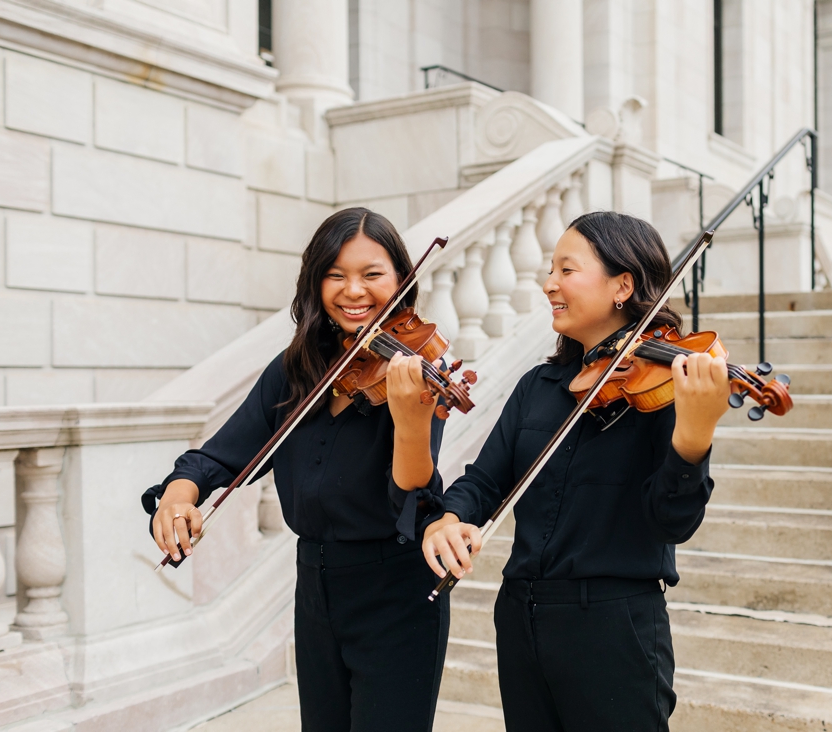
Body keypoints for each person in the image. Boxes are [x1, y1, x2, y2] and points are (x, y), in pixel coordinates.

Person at [421, 211, 732, 731]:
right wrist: (449, 517)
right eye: (550, 270)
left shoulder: (664, 389)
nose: (549, 285)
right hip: (521, 617)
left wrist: (695, 435)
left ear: (622, 285)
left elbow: (671, 522)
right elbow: (486, 481)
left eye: (567, 270)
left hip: (614, 627)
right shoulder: (538, 387)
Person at [142, 208, 449, 731]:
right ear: (315, 282)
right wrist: (178, 494)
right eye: (336, 275)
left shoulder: (418, 370)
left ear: (401, 278)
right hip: (315, 585)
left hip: (395, 591)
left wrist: (410, 420)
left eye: (372, 274)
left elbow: (412, 503)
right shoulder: (294, 370)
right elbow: (218, 456)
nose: (353, 290)